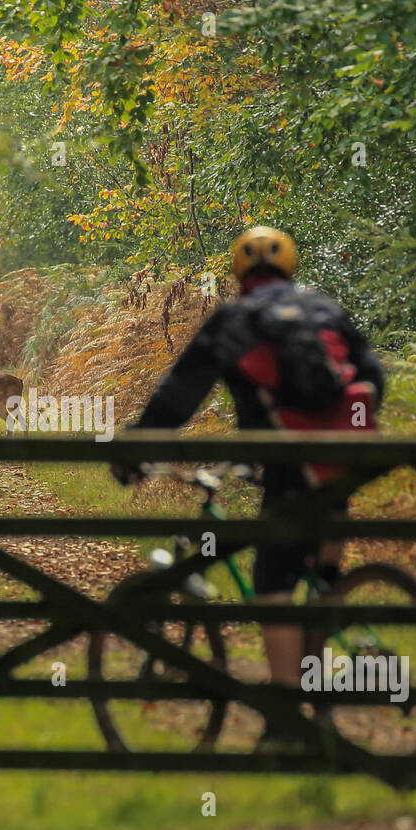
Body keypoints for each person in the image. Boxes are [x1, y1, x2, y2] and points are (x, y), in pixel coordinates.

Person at [110, 226, 386, 743]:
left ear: (240, 273)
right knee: (319, 576)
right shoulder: (324, 309)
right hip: (350, 457)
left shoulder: (235, 321)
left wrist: (138, 446)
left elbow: (179, 394)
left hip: (290, 457)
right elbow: (373, 374)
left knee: (272, 584)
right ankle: (320, 653)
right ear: (290, 267)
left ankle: (287, 723)